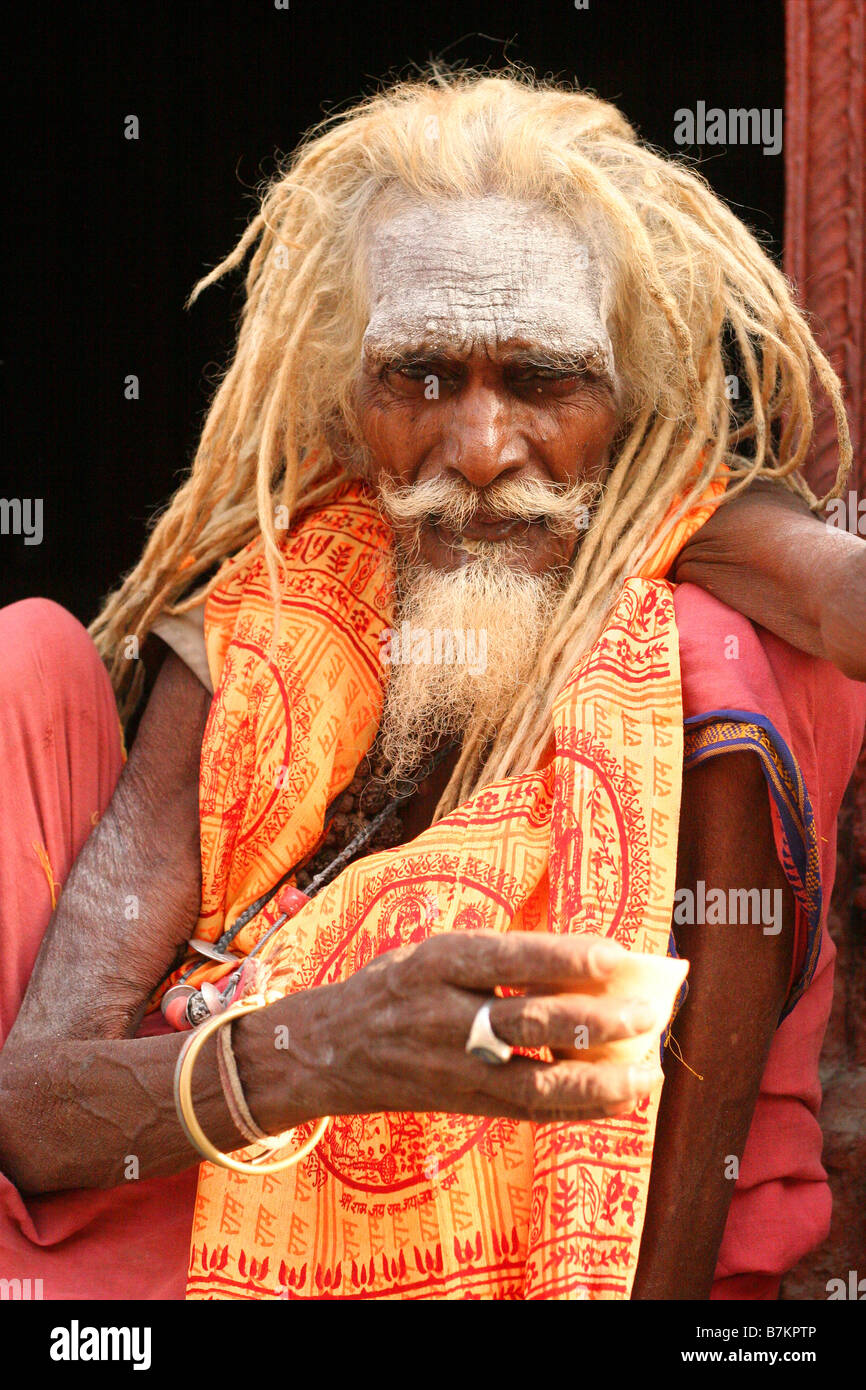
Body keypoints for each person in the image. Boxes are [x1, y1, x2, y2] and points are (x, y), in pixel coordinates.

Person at [1, 69, 864, 1302]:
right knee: (24, 653)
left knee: (724, 653)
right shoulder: (267, 617)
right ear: (348, 406)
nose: (478, 448)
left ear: (626, 399)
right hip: (171, 1247)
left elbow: (836, 595)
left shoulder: (684, 559)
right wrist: (327, 1047)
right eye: (419, 376)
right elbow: (30, 1112)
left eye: (540, 380)